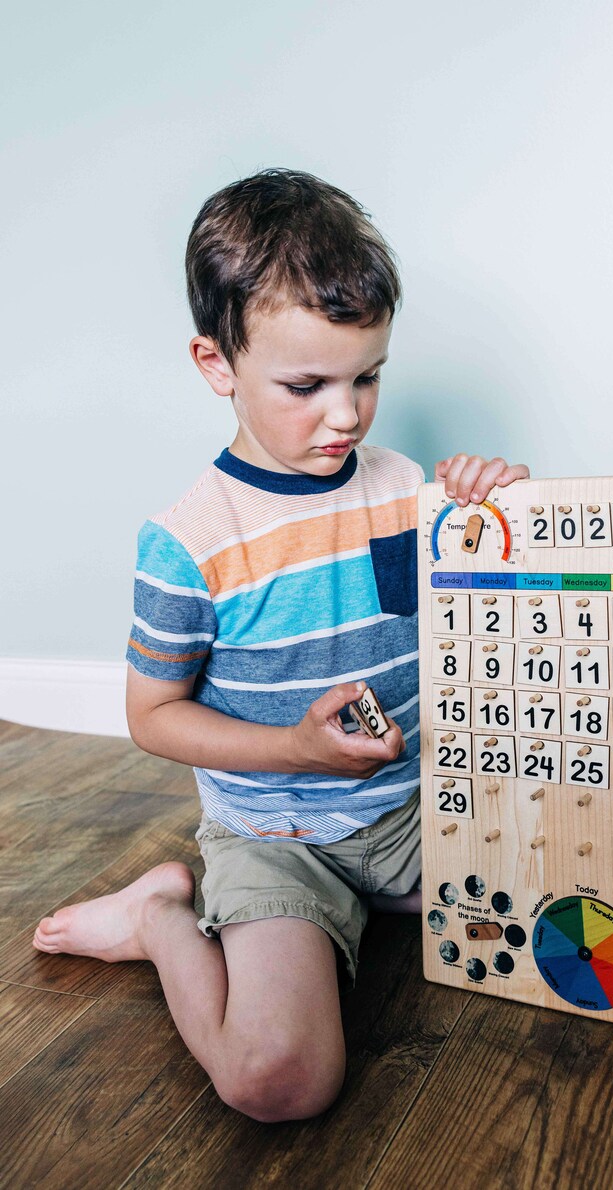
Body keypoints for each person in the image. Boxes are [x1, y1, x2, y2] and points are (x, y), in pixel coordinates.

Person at [33, 169, 529, 1121]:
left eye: (368, 376)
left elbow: (482, 614)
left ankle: (382, 899)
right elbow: (153, 717)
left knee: (578, 878)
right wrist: (296, 750)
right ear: (217, 365)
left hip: (414, 809)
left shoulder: (401, 486)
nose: (345, 415)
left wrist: (492, 508)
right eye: (306, 385)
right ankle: (161, 916)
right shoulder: (188, 540)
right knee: (276, 1081)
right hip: (277, 837)